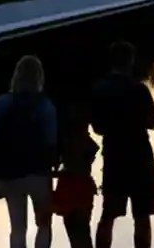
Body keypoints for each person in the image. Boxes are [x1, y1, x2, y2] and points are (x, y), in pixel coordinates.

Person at [91, 41, 154, 248]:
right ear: (130, 62)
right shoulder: (139, 90)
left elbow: (97, 127)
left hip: (114, 158)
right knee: (142, 216)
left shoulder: (100, 90)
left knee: (108, 216)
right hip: (140, 158)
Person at [0, 55, 58, 248]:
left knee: (18, 228)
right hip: (38, 173)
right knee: (44, 225)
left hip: (10, 173)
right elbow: (51, 141)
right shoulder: (45, 105)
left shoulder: (3, 102)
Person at [53, 103, 99, 248]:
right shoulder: (86, 144)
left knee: (76, 232)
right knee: (82, 232)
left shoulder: (66, 141)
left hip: (69, 188)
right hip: (81, 188)